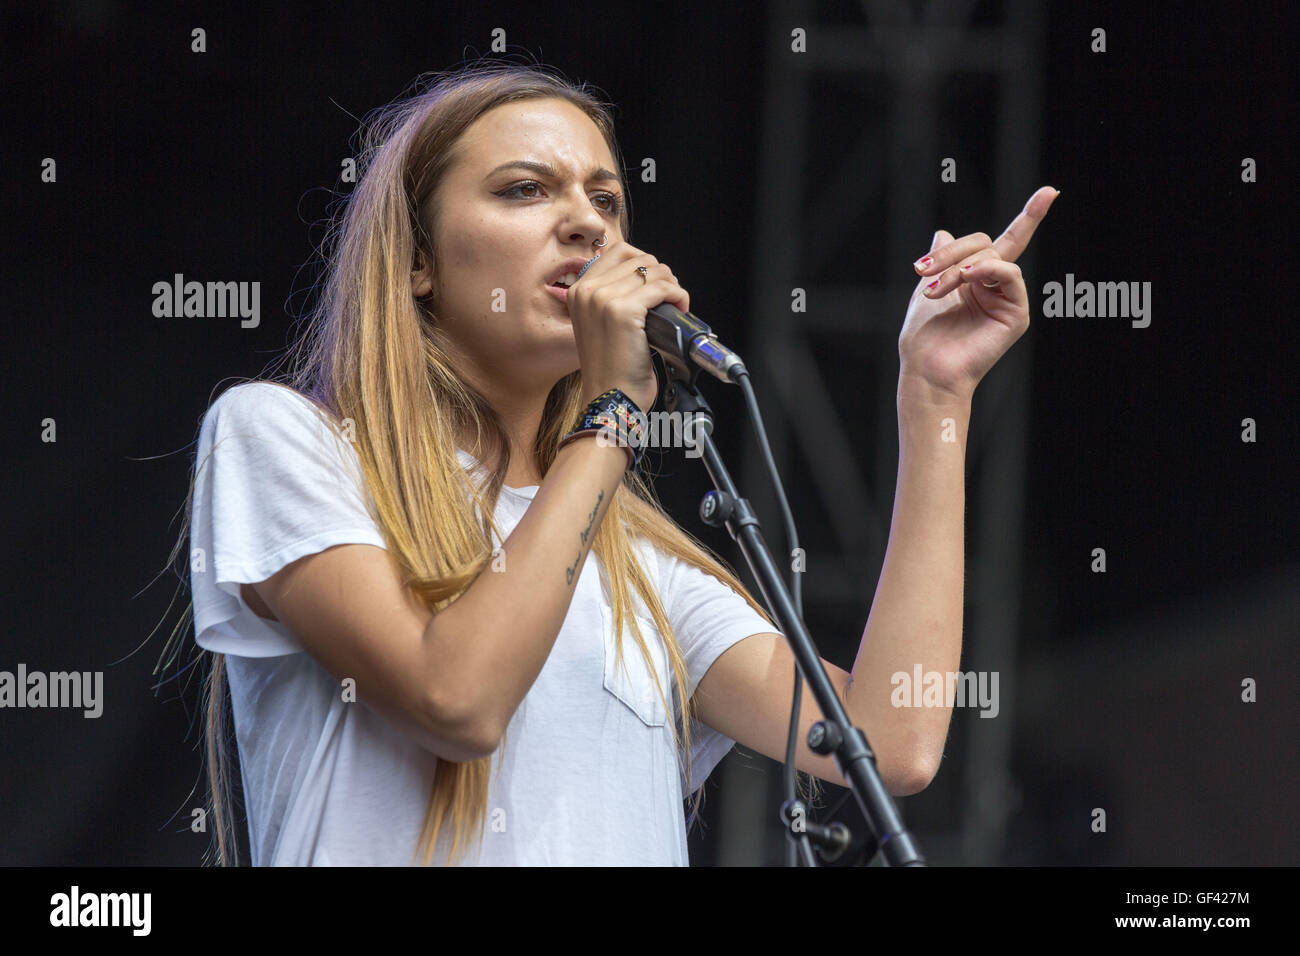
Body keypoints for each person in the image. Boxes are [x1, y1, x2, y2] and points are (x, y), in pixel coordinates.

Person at [159, 60, 1056, 866]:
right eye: (524, 190)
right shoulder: (282, 440)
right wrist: (615, 415)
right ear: (418, 260)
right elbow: (458, 700)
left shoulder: (635, 567)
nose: (586, 222)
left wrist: (935, 396)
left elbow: (889, 740)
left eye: (607, 199)